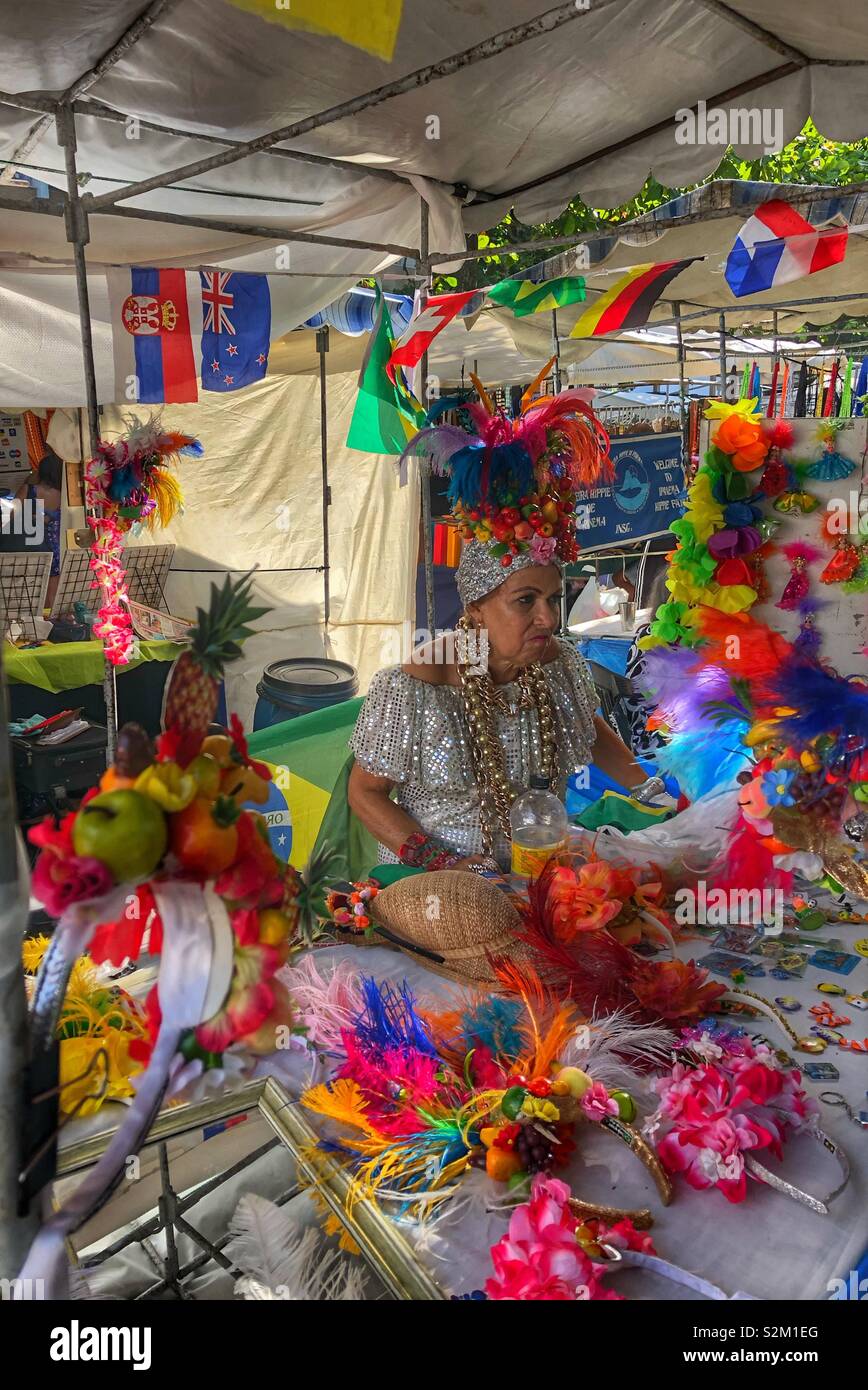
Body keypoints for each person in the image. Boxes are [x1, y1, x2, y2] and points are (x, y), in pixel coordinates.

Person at [348, 376, 652, 874]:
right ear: (474, 609)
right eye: (525, 600)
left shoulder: (559, 664)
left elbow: (589, 732)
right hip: (441, 889)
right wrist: (444, 864)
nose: (548, 618)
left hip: (540, 873)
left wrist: (652, 790)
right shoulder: (415, 684)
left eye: (554, 598)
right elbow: (366, 793)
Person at [15, 450, 63, 607]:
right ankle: (51, 618)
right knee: (53, 583)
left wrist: (34, 516)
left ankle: (36, 620)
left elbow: (11, 516)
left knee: (30, 584)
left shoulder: (29, 490)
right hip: (56, 545)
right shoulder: (63, 494)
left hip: (31, 543)